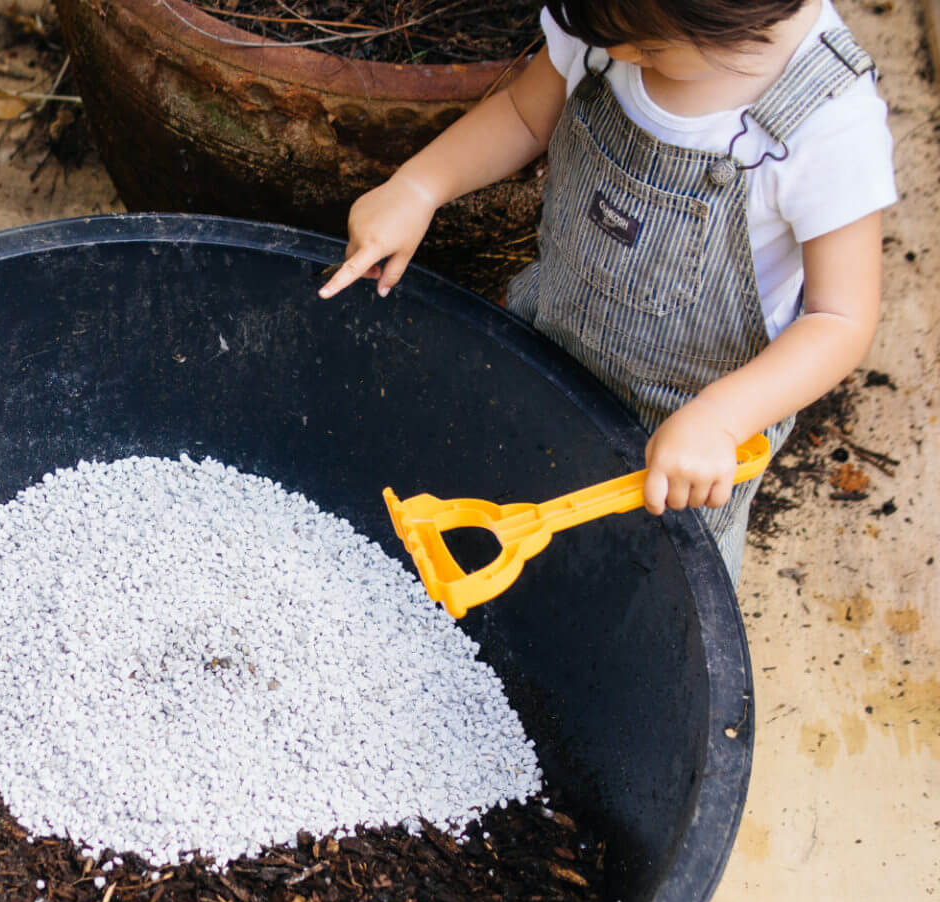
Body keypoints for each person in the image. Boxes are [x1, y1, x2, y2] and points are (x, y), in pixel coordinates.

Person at [319, 0, 896, 582]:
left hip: (677, 442)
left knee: (642, 582)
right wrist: (419, 187)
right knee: (503, 496)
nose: (613, 54)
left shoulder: (826, 125)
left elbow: (839, 317)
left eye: (645, 50)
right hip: (545, 347)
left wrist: (721, 420)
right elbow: (525, 114)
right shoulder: (610, 19)